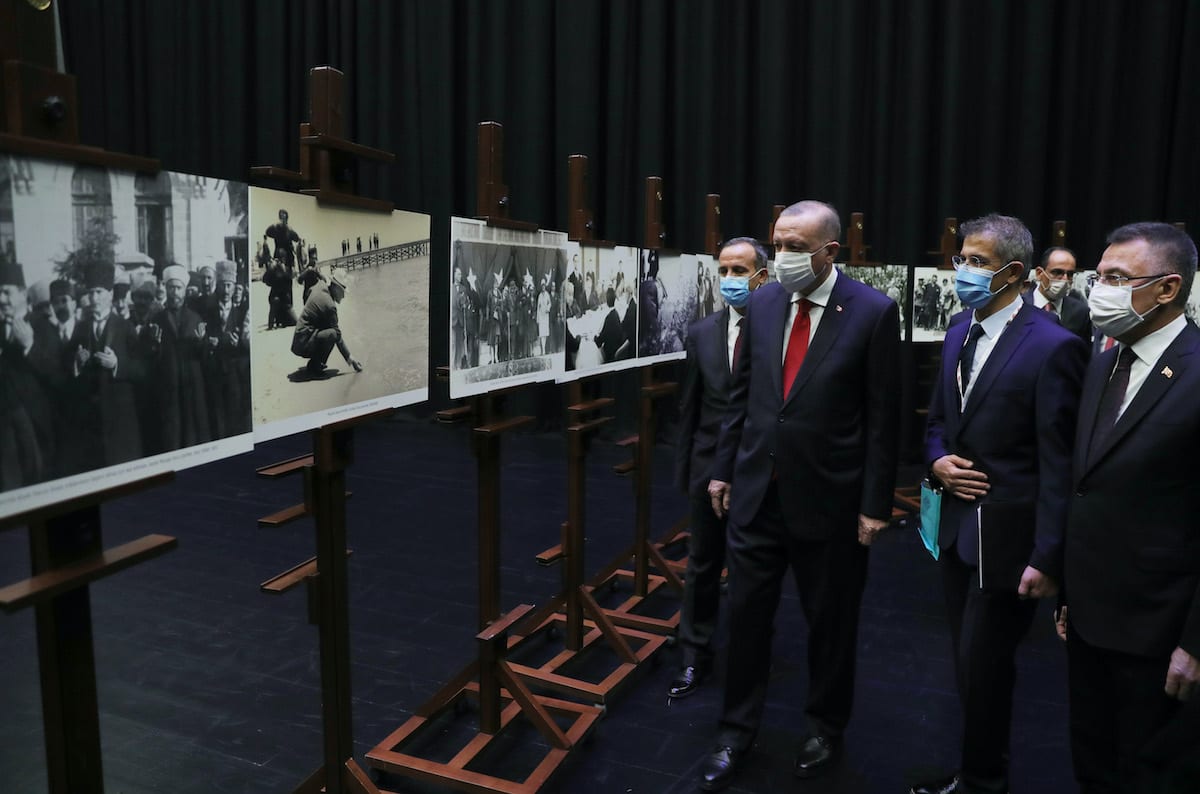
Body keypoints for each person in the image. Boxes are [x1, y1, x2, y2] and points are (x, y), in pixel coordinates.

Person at [699, 201, 900, 790]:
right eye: (776, 243)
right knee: (747, 618)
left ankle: (825, 726)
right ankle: (735, 731)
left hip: (832, 502)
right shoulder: (762, 302)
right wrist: (722, 470)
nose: (779, 257)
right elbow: (743, 397)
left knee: (830, 624)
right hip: (757, 494)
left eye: (793, 248)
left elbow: (884, 421)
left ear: (830, 252)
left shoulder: (872, 312)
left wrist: (874, 505)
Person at [916, 214, 1087, 794]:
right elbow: (939, 420)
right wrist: (936, 458)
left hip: (1010, 539)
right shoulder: (959, 326)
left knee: (986, 668)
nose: (961, 270)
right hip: (953, 528)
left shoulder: (1055, 346)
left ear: (1012, 272)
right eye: (961, 258)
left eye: (976, 262)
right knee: (967, 666)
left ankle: (984, 779)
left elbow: (1059, 462)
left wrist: (1048, 555)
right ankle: (978, 767)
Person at [1060, 222, 1200, 793]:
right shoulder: (1104, 361)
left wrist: (1196, 641)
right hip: (1090, 618)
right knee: (1092, 761)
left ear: (1167, 289)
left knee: (1150, 774)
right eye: (1101, 276)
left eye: (1118, 278)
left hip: (1161, 630)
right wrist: (1069, 594)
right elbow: (1090, 485)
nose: (1101, 290)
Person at [670, 236, 768, 700]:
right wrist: (687, 472)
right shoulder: (702, 333)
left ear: (762, 276)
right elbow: (689, 408)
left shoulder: (776, 330)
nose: (730, 280)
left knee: (753, 569)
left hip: (758, 470)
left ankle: (750, 656)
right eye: (723, 270)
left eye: (739, 271)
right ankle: (694, 654)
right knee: (701, 566)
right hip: (707, 469)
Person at [68, 261, 145, 469]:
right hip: (91, 423)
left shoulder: (125, 327)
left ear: (110, 294)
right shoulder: (80, 328)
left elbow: (142, 370)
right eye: (91, 292)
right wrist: (76, 364)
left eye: (99, 292)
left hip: (120, 419)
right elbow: (67, 371)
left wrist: (117, 364)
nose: (94, 298)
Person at [291, 271, 362, 377]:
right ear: (336, 288)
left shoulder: (321, 286)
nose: (343, 296)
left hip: (299, 338)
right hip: (302, 344)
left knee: (328, 328)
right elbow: (337, 335)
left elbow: (309, 291)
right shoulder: (329, 305)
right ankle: (316, 366)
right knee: (333, 334)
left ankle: (314, 363)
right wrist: (351, 359)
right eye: (343, 292)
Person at [1024, 246, 1092, 344]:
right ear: (1039, 273)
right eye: (1057, 272)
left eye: (1070, 274)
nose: (1065, 279)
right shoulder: (1019, 305)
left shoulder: (1081, 312)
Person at [593, 287, 624, 363]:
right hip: (617, 346)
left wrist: (594, 337)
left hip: (610, 353)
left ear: (606, 301)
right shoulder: (615, 314)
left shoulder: (609, 318)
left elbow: (599, 342)